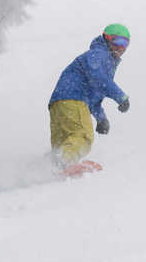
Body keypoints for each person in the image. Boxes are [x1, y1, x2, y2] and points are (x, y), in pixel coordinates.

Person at [48, 23, 131, 173]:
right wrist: (121, 97)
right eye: (117, 41)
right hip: (73, 98)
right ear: (106, 38)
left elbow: (93, 95)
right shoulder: (100, 54)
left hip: (59, 103)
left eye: (125, 43)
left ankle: (46, 169)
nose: (121, 47)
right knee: (83, 135)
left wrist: (101, 118)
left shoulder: (101, 58)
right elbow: (99, 79)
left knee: (63, 141)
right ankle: (63, 164)